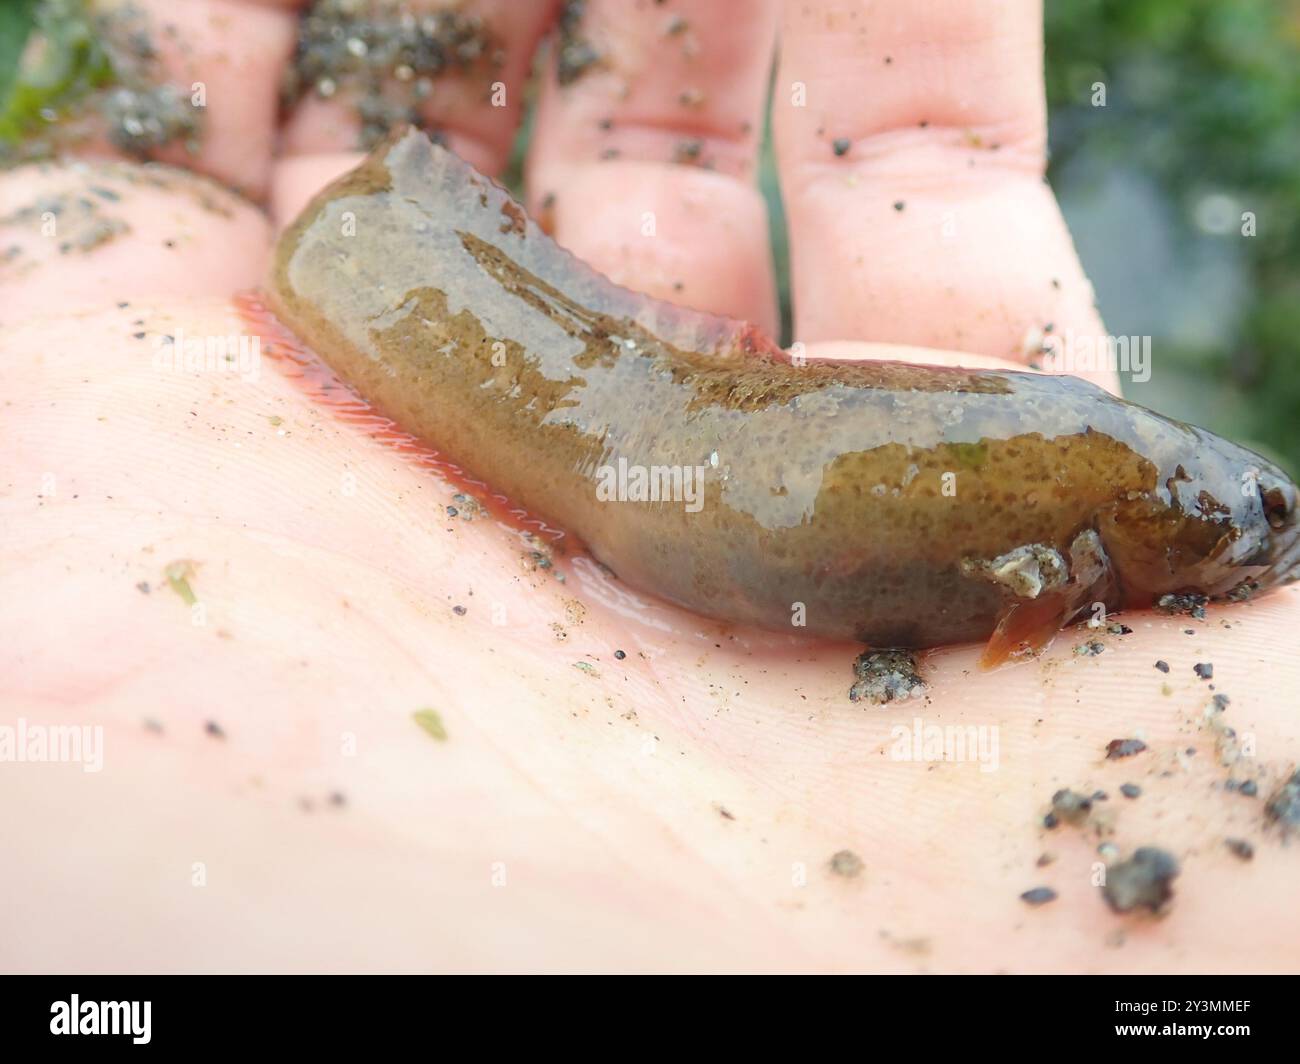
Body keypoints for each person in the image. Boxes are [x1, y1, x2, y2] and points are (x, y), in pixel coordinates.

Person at [2, 0, 1295, 972]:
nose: (1261, 536)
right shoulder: (1096, 509)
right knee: (616, 406)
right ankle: (365, 246)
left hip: (673, 456)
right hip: (649, 442)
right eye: (1258, 519)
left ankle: (368, 243)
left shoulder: (1097, 506)